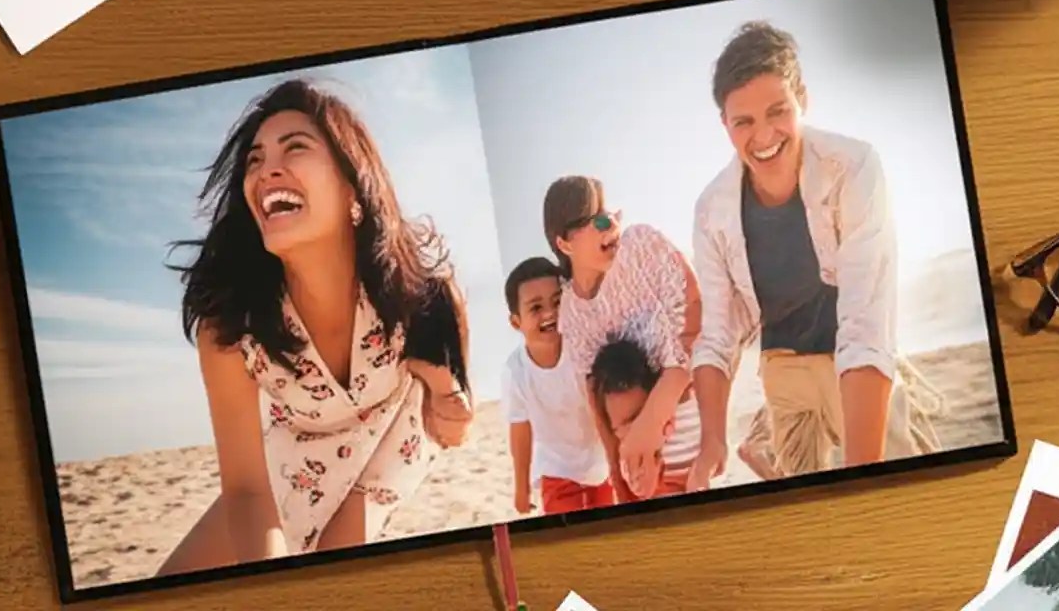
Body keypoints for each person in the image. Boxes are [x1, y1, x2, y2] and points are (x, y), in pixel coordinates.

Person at [156, 78, 474, 575]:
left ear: (354, 188)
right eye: (254, 159)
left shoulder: (426, 296)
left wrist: (447, 401)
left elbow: (453, 420)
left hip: (387, 455)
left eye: (295, 147)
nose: (266, 169)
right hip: (289, 469)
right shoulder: (231, 328)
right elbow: (245, 489)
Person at [687, 21, 938, 490]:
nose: (763, 136)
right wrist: (712, 442)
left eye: (777, 111)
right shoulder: (711, 211)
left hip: (853, 362)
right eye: (743, 121)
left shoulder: (854, 166)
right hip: (782, 372)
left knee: (898, 484)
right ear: (725, 123)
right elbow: (718, 333)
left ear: (803, 97)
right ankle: (765, 441)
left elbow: (867, 321)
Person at [542, 175, 702, 501]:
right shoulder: (571, 313)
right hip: (634, 458)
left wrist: (651, 422)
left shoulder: (642, 246)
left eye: (613, 215)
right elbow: (595, 397)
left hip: (685, 428)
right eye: (597, 219)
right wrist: (619, 475)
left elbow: (699, 328)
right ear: (564, 244)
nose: (611, 224)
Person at [501, 256, 613, 515]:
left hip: (600, 461)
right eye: (536, 308)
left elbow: (602, 409)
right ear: (516, 322)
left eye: (557, 302)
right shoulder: (516, 371)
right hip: (556, 470)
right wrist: (521, 488)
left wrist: (615, 461)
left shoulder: (581, 349)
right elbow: (520, 429)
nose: (549, 313)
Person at [589, 317, 703, 499]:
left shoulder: (682, 414)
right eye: (623, 426)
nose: (635, 433)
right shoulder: (629, 464)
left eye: (639, 418)